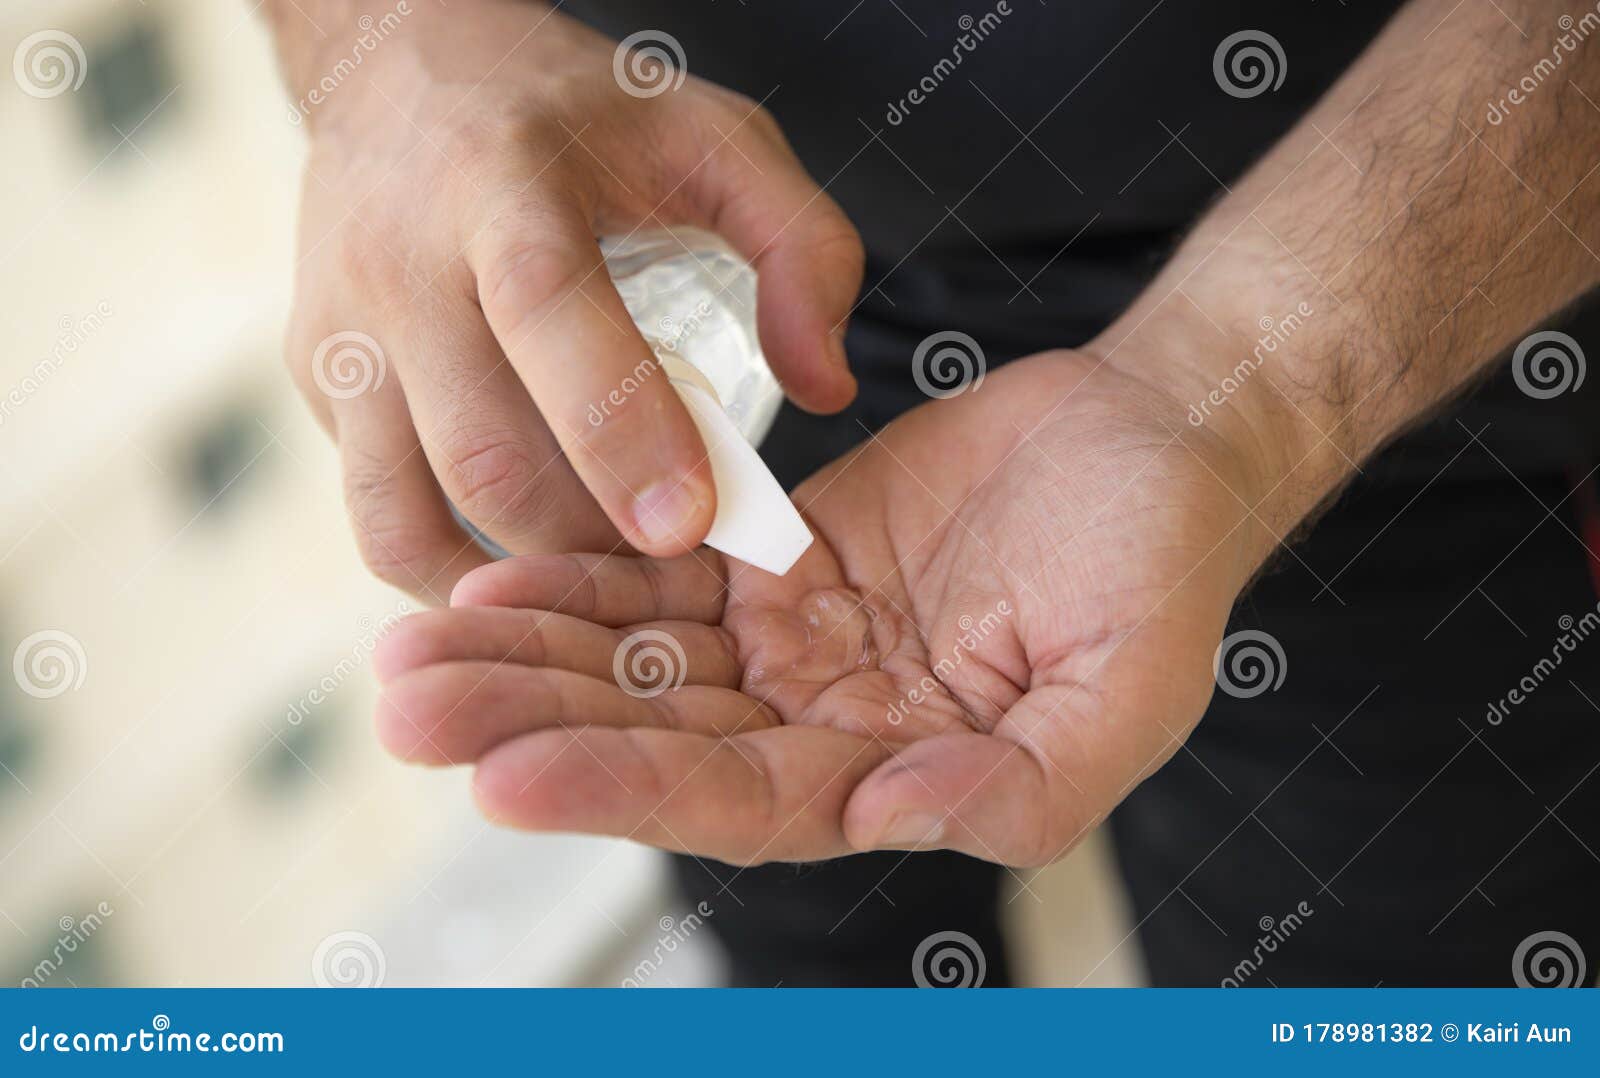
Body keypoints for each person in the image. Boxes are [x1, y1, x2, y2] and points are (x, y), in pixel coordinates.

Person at [263, 0, 1600, 986]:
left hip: (1417, 310)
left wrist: (1246, 381)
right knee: (796, 921)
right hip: (735, 316)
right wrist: (388, 54)